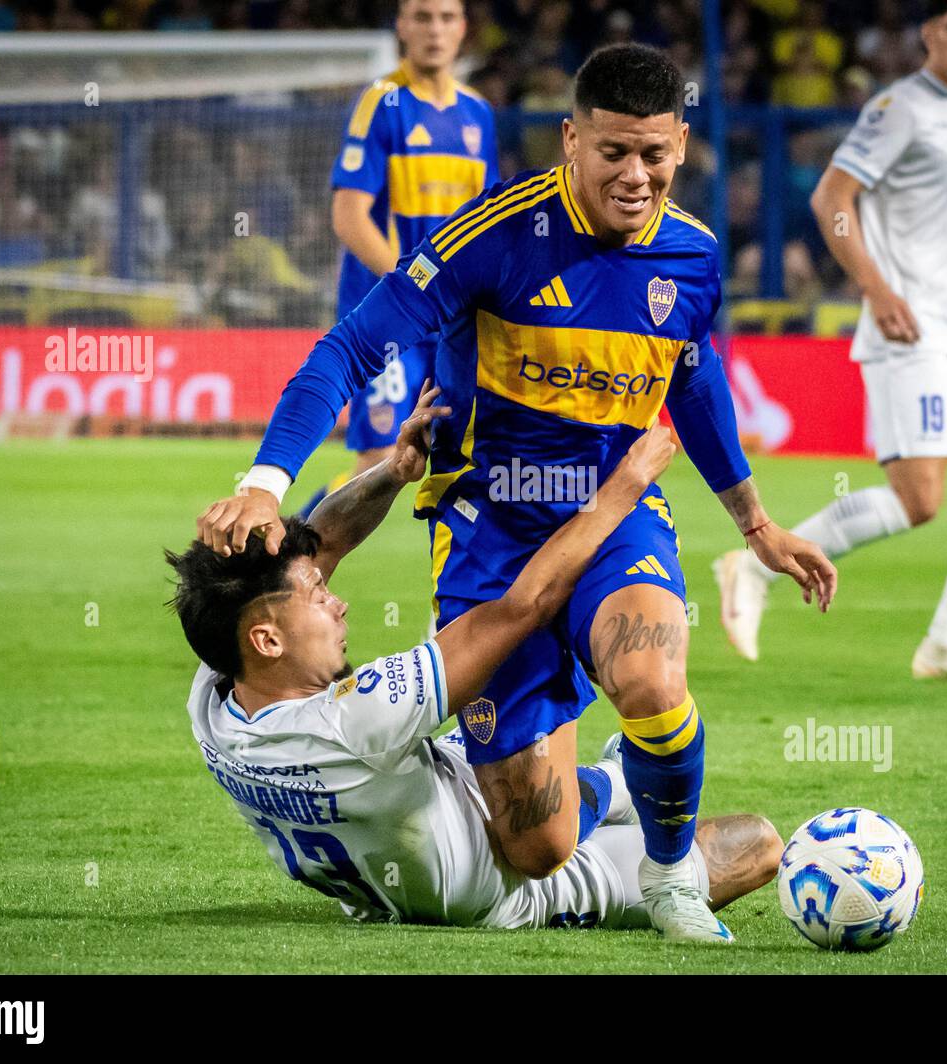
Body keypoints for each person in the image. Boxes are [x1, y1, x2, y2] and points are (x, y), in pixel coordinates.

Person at [197, 44, 836, 944]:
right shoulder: (492, 236)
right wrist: (267, 483)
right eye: (613, 151)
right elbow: (350, 348)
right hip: (488, 535)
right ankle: (614, 777)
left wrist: (756, 522)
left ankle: (667, 875)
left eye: (654, 154)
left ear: (682, 146)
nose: (634, 174)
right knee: (537, 845)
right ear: (571, 140)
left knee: (651, 678)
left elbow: (691, 382)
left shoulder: (691, 257)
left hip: (615, 516)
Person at [173, 391, 782, 932]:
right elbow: (522, 606)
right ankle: (617, 777)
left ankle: (606, 779)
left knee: (516, 771)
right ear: (268, 641)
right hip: (510, 892)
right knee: (758, 844)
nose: (338, 602)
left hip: (424, 798)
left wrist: (396, 472)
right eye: (318, 597)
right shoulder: (356, 719)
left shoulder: (216, 700)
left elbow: (320, 545)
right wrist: (622, 489)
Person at [715, 0, 947, 684]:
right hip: (910, 331)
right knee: (918, 498)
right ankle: (751, 566)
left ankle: (946, 646)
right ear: (929, 34)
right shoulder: (900, 108)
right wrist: (875, 287)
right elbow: (831, 199)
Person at [298, 0, 498, 515]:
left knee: (474, 456)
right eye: (422, 16)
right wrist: (410, 290)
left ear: (463, 29)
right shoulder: (382, 103)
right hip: (392, 320)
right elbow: (349, 216)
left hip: (457, 321)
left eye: (447, 17)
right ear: (401, 27)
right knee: (382, 460)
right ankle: (283, 558)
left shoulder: (478, 113)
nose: (435, 29)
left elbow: (492, 219)